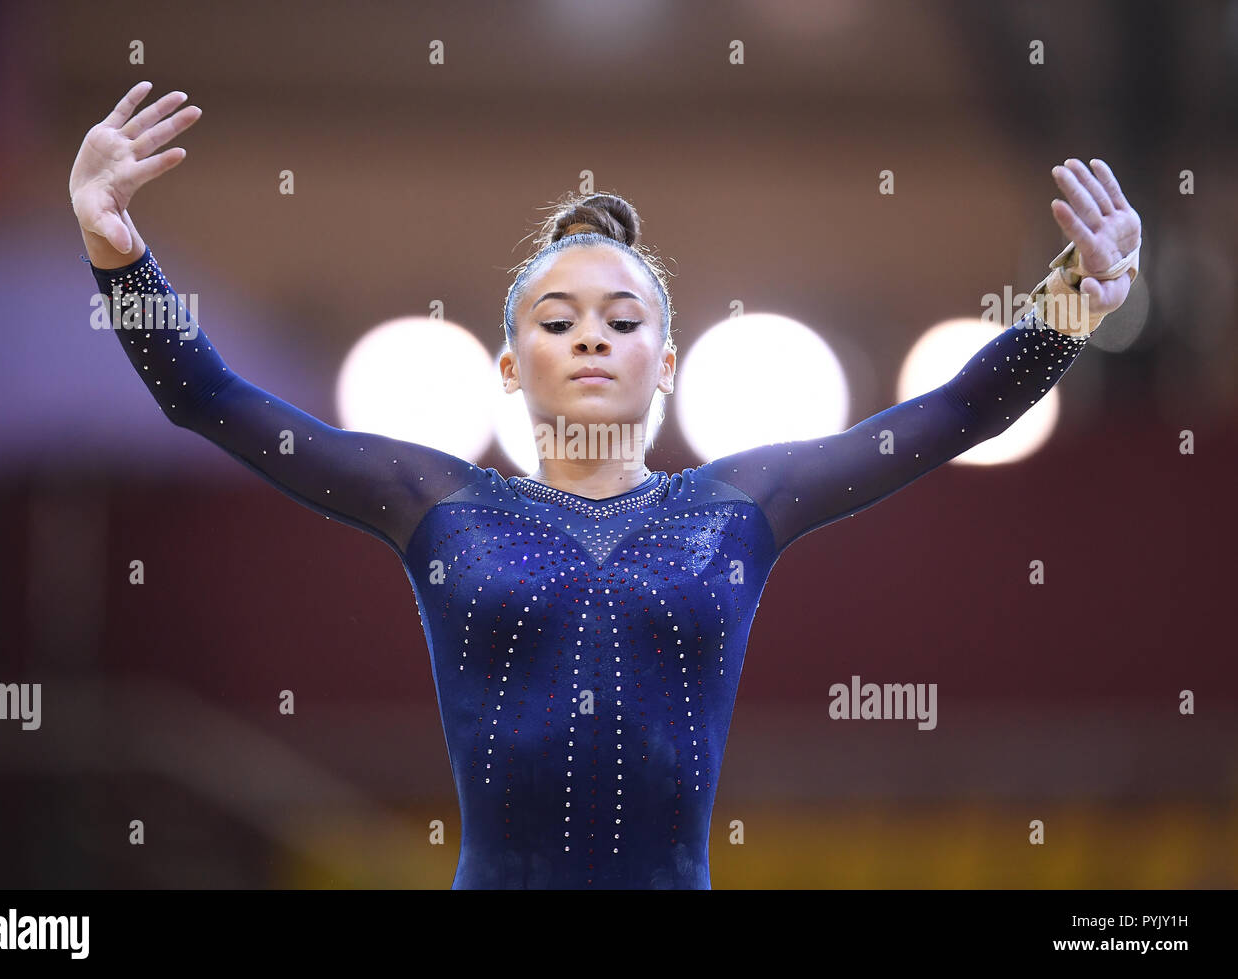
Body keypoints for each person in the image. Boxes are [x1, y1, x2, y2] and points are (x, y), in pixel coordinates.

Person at [70, 81, 1143, 888]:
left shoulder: (739, 507)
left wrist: (1074, 302)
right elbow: (207, 399)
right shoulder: (438, 504)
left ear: (665, 364)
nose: (591, 336)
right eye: (558, 320)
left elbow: (951, 414)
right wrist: (116, 252)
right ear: (510, 365)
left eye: (623, 321)